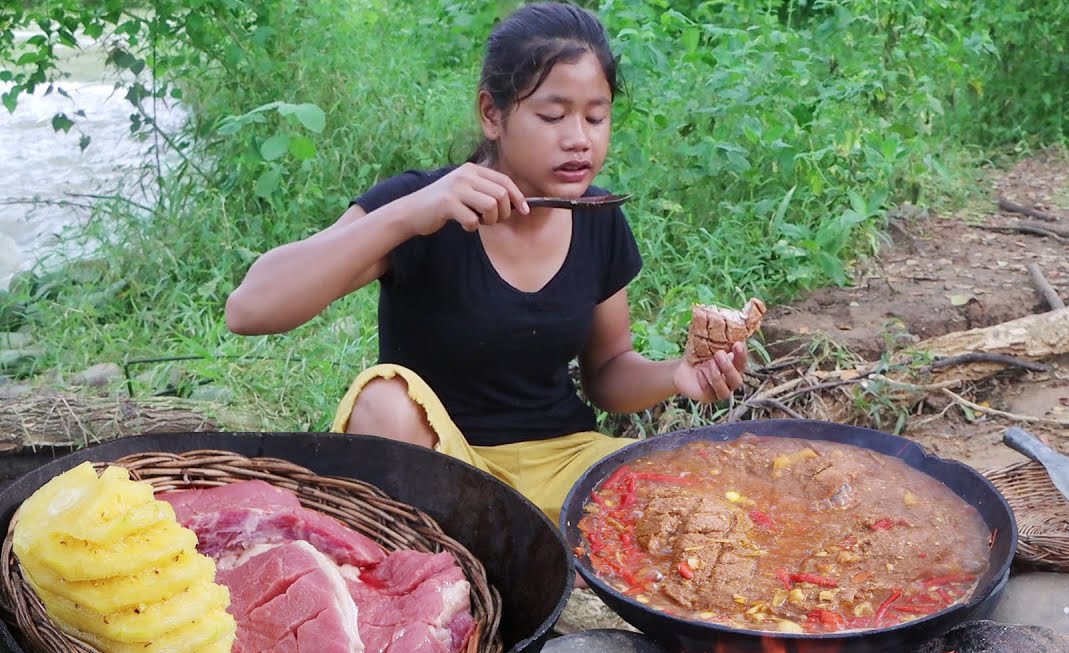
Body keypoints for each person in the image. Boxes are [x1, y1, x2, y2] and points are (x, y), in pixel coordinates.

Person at [224, 2, 749, 529]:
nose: (579, 138)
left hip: (563, 462)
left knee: (696, 497)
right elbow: (249, 311)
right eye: (552, 115)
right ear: (492, 114)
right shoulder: (420, 205)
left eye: (596, 116)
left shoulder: (598, 216)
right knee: (385, 398)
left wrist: (677, 375)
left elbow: (608, 374)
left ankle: (514, 542)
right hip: (440, 463)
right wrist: (407, 215)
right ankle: (442, 551)